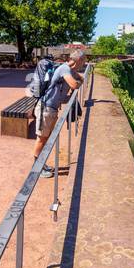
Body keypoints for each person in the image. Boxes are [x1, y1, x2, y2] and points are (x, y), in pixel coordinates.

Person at [33, 50, 87, 178]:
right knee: (41, 138)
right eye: (83, 61)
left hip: (52, 108)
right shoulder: (64, 69)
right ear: (78, 60)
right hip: (45, 108)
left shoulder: (70, 70)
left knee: (46, 138)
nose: (84, 64)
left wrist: (78, 79)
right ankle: (36, 168)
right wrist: (78, 82)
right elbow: (74, 84)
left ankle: (41, 164)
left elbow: (81, 78)